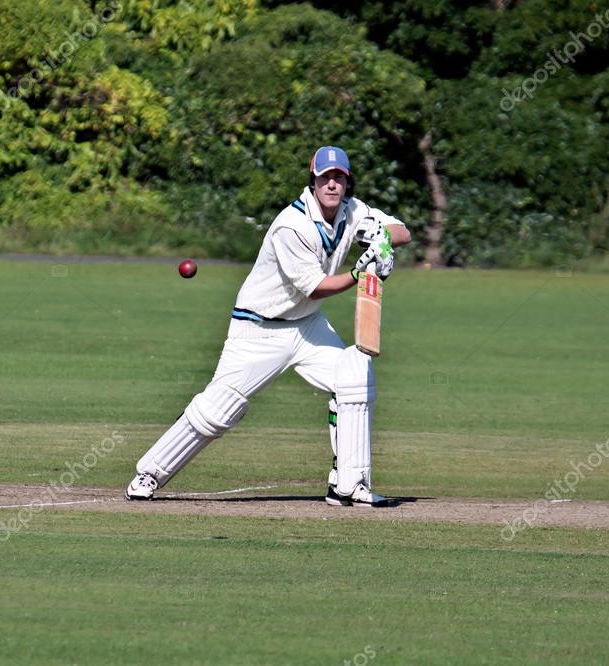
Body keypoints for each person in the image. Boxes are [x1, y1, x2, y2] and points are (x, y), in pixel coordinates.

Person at [125, 146, 411, 506]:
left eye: (340, 178)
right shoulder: (291, 226)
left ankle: (349, 485)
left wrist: (381, 239)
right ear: (314, 180)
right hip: (259, 328)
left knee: (355, 375)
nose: (333, 185)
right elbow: (316, 287)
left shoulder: (354, 212)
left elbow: (403, 232)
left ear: (348, 182)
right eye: (326, 177)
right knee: (218, 412)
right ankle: (149, 474)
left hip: (307, 326)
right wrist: (359, 272)